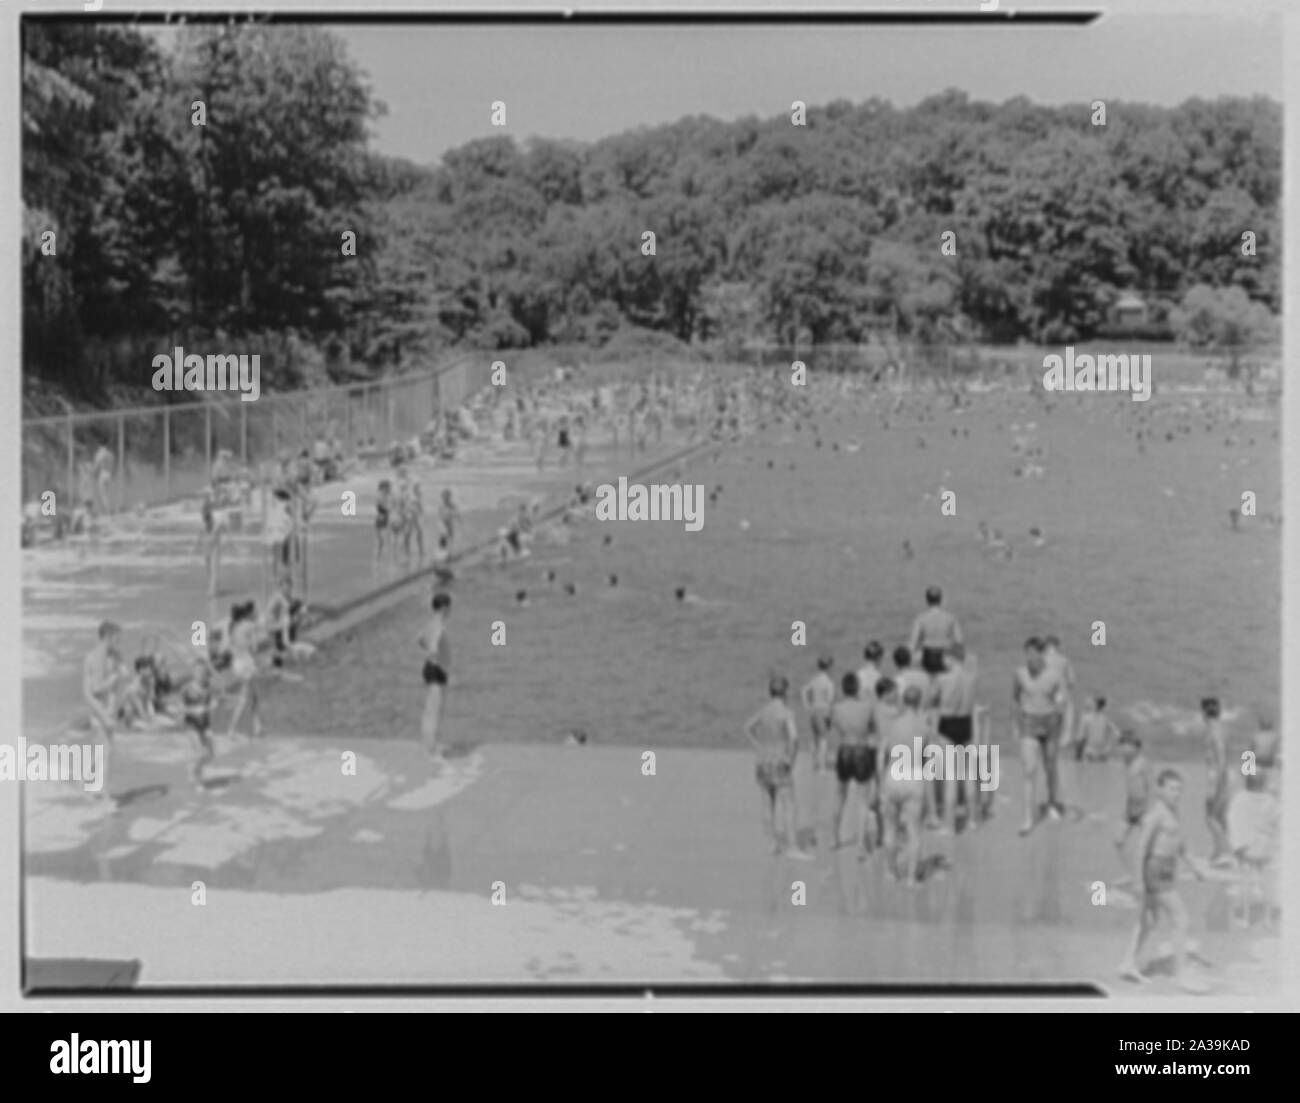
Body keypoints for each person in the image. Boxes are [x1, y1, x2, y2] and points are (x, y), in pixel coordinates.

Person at [1117, 769, 1211, 992]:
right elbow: (1141, 848)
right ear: (1160, 790)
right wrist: (1138, 879)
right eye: (1172, 789)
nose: (1177, 793)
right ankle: (1181, 974)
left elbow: (1181, 846)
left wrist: (1195, 868)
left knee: (1148, 921)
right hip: (1155, 871)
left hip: (1167, 870)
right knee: (1181, 919)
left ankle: (1127, 964)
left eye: (1179, 789)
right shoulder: (1156, 814)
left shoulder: (1174, 813)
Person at [742, 675, 811, 859]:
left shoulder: (764, 711)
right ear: (785, 692)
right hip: (780, 760)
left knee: (767, 804)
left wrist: (758, 745)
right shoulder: (787, 713)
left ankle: (772, 843)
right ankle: (792, 847)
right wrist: (791, 760)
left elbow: (747, 727)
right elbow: (794, 739)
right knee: (789, 805)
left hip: (763, 760)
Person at [1013, 636, 1067, 834]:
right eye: (1027, 655)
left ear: (1042, 655)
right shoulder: (1020, 674)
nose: (1030, 659)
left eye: (1034, 655)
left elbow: (1064, 702)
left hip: (1050, 722)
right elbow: (1016, 698)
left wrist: (1067, 729)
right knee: (1029, 769)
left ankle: (1052, 802)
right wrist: (1016, 724)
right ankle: (1028, 817)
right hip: (1029, 722)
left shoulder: (1055, 675)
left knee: (1050, 766)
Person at [880, 683, 927, 885]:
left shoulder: (893, 725)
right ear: (920, 702)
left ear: (903, 701)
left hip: (893, 776)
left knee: (889, 829)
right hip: (913, 778)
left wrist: (880, 778)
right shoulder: (924, 726)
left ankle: (890, 872)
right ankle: (910, 878)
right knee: (913, 832)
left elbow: (882, 753)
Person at [830, 672, 877, 852]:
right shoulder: (866, 707)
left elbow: (835, 726)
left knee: (840, 796)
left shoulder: (837, 708)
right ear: (857, 688)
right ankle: (859, 844)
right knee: (862, 800)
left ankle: (835, 838)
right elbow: (872, 728)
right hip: (861, 750)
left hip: (844, 749)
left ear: (843, 689)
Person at [935, 642, 977, 831]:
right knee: (968, 775)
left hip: (948, 724)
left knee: (951, 777)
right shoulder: (971, 678)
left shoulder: (942, 679)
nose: (943, 661)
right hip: (965, 724)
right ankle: (972, 820)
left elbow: (931, 699)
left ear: (951, 658)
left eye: (944, 657)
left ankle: (949, 825)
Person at [419, 592, 452, 760]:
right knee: (435, 711)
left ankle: (431, 744)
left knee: (431, 709)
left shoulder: (430, 622)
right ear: (445, 607)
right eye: (450, 607)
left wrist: (430, 653)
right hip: (436, 669)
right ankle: (433, 750)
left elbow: (420, 639)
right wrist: (436, 657)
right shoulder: (438, 625)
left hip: (431, 668)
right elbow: (432, 647)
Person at [1113, 730, 1153, 867]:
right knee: (1118, 841)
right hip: (1130, 806)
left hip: (1143, 807)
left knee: (1147, 844)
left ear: (1136, 748)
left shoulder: (1142, 763)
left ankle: (1147, 870)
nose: (1124, 749)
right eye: (1122, 745)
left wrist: (1150, 809)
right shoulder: (1126, 762)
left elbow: (1150, 785)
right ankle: (1129, 869)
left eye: (1127, 745)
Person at [225, 602, 264, 740]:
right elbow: (254, 648)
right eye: (255, 611)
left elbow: (230, 647)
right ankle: (232, 729)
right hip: (246, 663)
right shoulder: (249, 626)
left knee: (254, 696)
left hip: (237, 664)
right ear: (248, 614)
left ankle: (257, 726)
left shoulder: (232, 627)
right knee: (245, 699)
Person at [1201, 697, 1232, 867]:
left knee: (1210, 817)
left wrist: (1215, 784)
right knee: (1220, 817)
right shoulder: (1222, 728)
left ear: (1203, 712)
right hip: (1224, 775)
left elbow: (1220, 756)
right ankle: (1219, 851)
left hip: (1217, 777)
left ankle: (1226, 851)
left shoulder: (1213, 731)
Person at [180, 659, 217, 788]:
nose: (201, 674)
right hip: (191, 725)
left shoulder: (209, 688)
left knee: (210, 755)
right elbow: (181, 708)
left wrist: (212, 705)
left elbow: (212, 702)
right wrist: (193, 710)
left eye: (203, 672)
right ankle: (197, 778)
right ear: (194, 673)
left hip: (205, 725)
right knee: (200, 753)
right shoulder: (186, 689)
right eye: (198, 671)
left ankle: (193, 768)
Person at [909, 586, 962, 673]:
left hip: (926, 658)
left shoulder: (920, 619)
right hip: (944, 658)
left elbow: (912, 643)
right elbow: (959, 641)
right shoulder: (951, 618)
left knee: (915, 657)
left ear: (927, 600)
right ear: (941, 600)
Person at [800, 655, 836, 771]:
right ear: (830, 667)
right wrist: (830, 714)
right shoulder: (828, 682)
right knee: (823, 738)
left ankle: (814, 762)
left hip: (813, 710)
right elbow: (830, 700)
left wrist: (806, 705)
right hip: (823, 710)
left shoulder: (814, 680)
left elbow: (804, 690)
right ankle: (822, 766)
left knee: (815, 737)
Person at [1043, 635, 1078, 748]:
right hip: (1061, 692)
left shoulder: (1041, 660)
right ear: (1057, 646)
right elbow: (1072, 680)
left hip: (1047, 693)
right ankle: (1065, 739)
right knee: (1068, 711)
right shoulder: (1064, 660)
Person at [196, 488, 226, 598]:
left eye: (206, 513)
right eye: (204, 513)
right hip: (206, 548)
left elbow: (224, 529)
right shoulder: (202, 522)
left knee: (214, 569)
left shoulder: (217, 521)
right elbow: (199, 535)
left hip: (215, 548)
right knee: (208, 570)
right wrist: (196, 546)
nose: (205, 516)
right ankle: (213, 588)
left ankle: (212, 591)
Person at [1076, 696, 1119, 762]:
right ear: (1104, 707)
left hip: (1090, 750)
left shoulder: (1086, 718)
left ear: (1094, 705)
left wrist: (1077, 756)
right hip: (1101, 751)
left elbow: (1080, 737)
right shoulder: (1106, 719)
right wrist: (1108, 747)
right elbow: (1116, 734)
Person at [374, 480, 394, 564]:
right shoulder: (380, 496)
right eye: (388, 487)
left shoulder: (383, 495)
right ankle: (381, 559)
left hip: (382, 517)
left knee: (383, 541)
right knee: (384, 540)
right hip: (382, 518)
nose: (390, 489)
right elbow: (383, 507)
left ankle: (379, 558)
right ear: (384, 488)